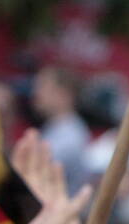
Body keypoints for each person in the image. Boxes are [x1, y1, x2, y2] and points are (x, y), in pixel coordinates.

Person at [31, 66, 90, 194]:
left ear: (63, 94)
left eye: (43, 86)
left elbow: (35, 173)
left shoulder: (71, 135)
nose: (36, 93)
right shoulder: (55, 128)